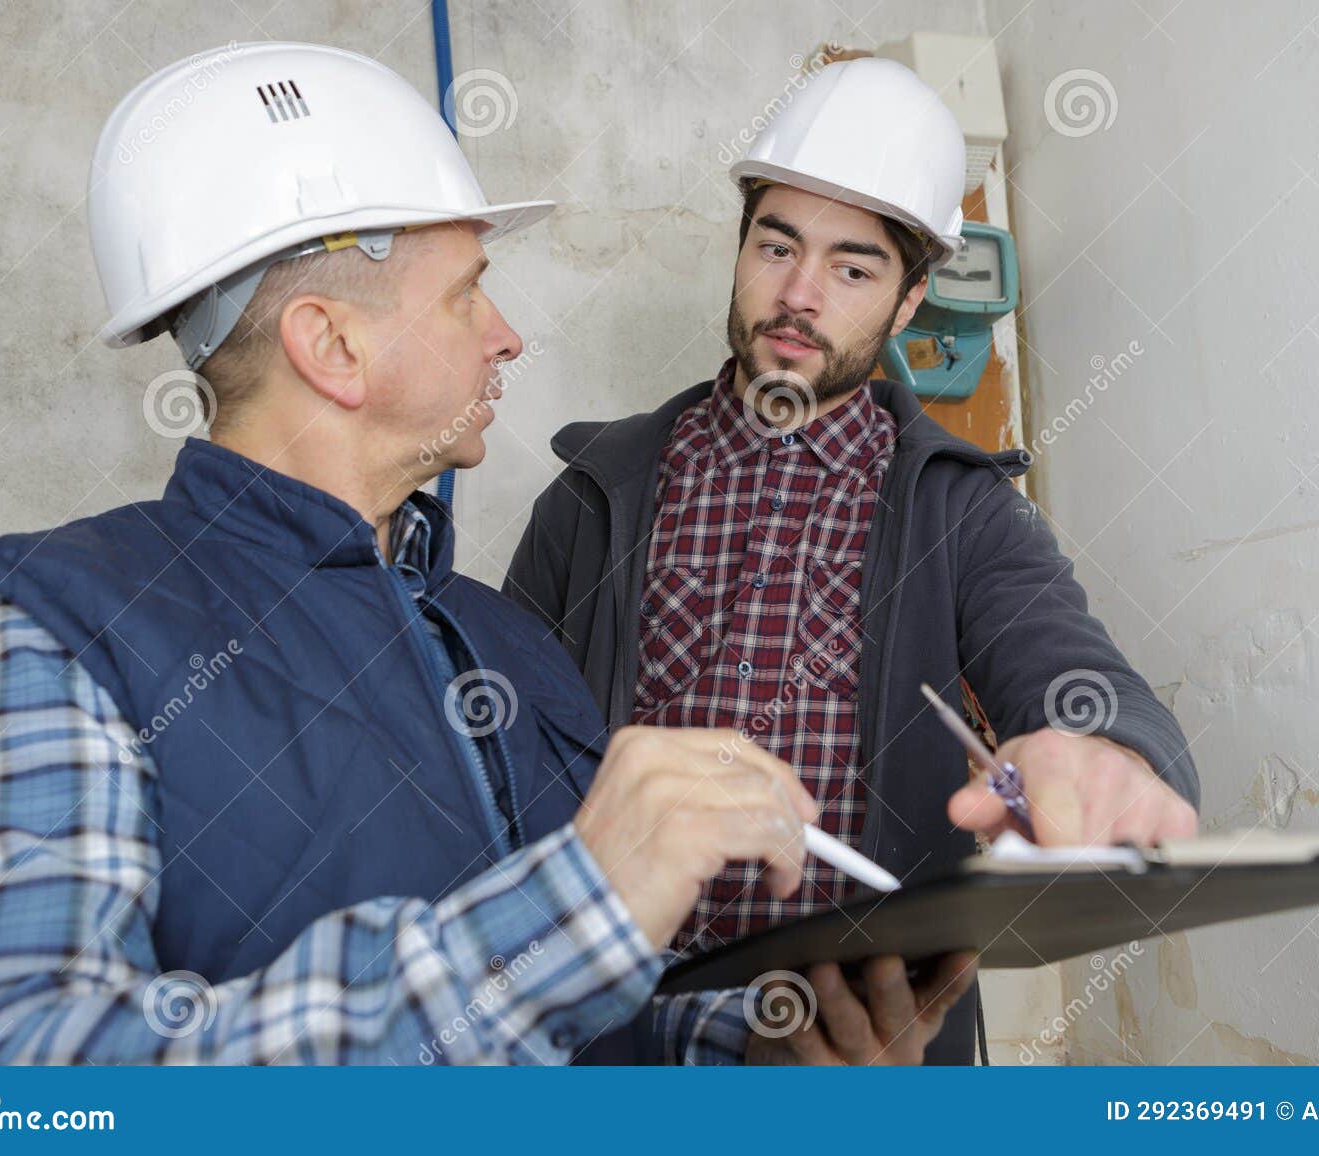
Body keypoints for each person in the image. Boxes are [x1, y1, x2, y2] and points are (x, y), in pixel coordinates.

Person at [0, 43, 972, 1067]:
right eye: (467, 291)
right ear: (332, 345)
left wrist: (759, 1049)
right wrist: (575, 905)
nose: (506, 334)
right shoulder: (50, 639)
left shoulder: (503, 643)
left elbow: (587, 1008)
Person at [504, 56, 1200, 1064]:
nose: (797, 294)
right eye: (775, 245)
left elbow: (1074, 678)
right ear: (740, 244)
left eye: (852, 267)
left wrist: (1110, 755)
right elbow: (497, 759)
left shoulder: (964, 515)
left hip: (862, 1049)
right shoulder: (592, 494)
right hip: (612, 1040)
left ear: (910, 298)